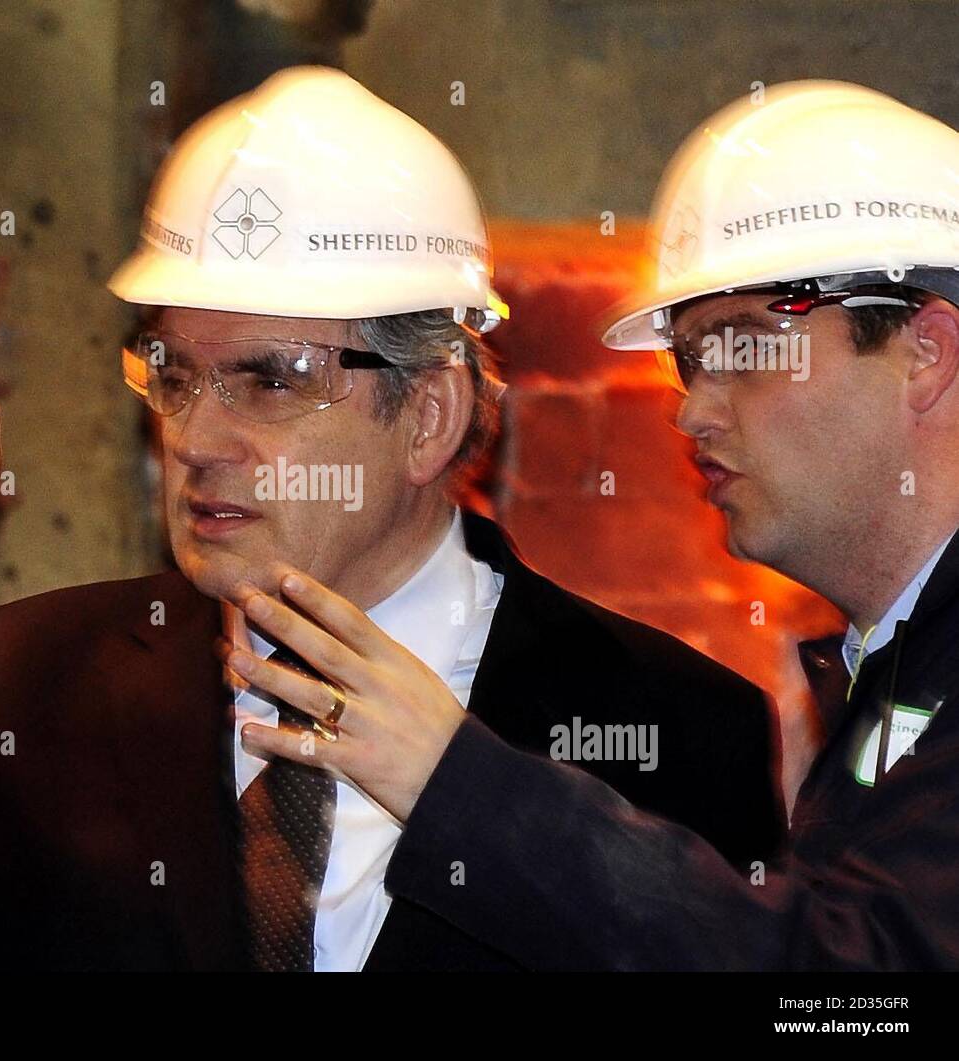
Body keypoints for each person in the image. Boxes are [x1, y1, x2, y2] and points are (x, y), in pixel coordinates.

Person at [0, 66, 781, 972]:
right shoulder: (25, 682)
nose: (195, 435)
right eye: (172, 372)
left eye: (269, 380)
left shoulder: (671, 728)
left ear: (430, 410)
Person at [236, 80, 959, 970]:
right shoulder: (892, 673)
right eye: (688, 362)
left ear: (925, 353)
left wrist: (458, 783)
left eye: (739, 346)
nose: (690, 413)